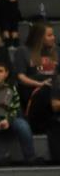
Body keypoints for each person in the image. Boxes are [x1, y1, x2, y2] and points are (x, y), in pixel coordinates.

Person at [14, 22, 58, 152]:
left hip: (55, 91)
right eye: (49, 35)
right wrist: (40, 84)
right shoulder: (23, 51)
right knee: (46, 90)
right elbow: (20, 77)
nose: (53, 38)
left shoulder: (57, 51)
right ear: (40, 37)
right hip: (33, 92)